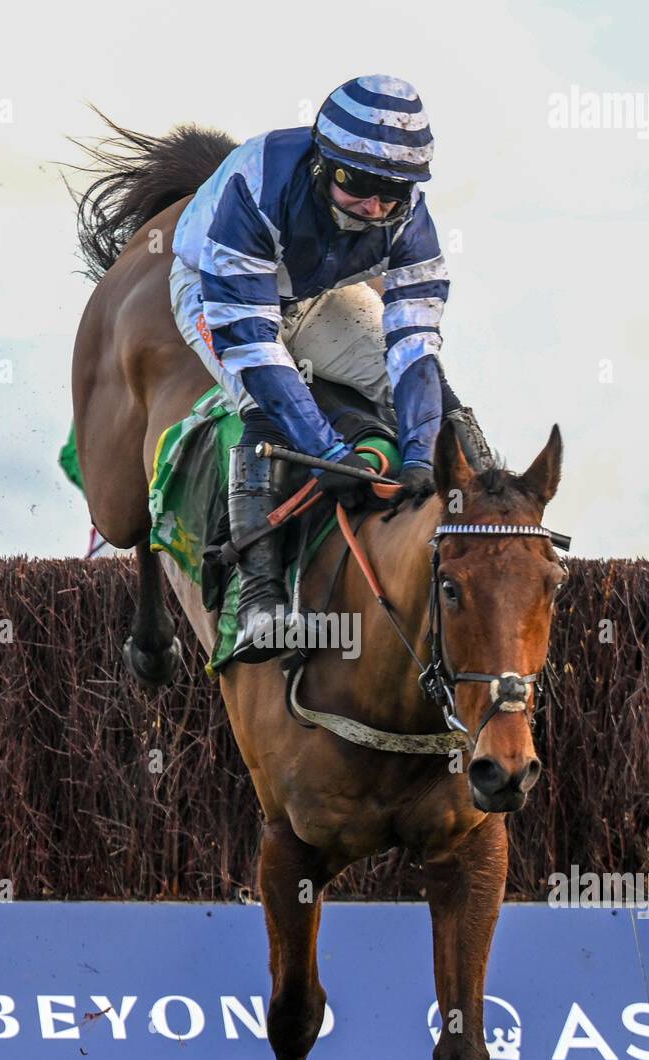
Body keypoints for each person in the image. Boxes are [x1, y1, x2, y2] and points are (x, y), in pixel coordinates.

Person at [170, 74, 474, 663]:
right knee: (265, 409)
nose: (374, 206)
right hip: (216, 287)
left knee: (430, 385)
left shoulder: (410, 221)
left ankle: (492, 525)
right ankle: (259, 598)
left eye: (393, 191)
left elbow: (414, 345)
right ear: (321, 163)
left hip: (315, 290)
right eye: (356, 183)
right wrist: (330, 456)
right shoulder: (257, 185)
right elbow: (256, 348)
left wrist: (418, 455)